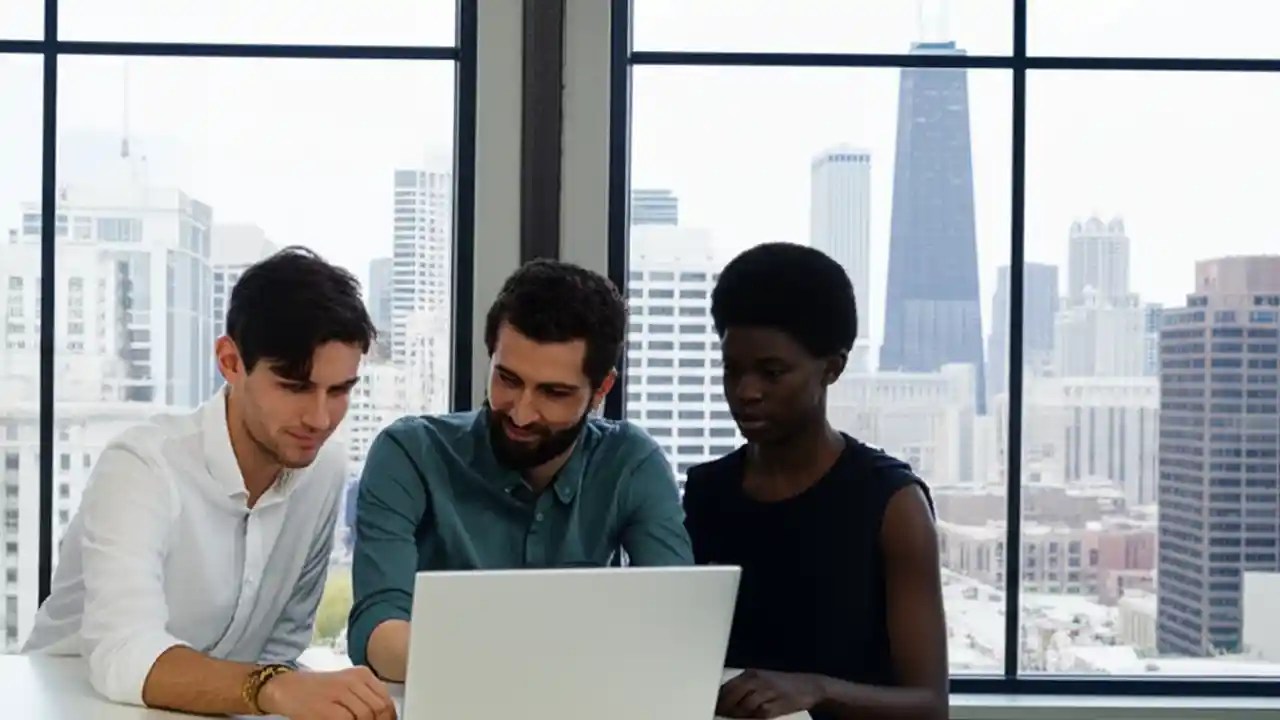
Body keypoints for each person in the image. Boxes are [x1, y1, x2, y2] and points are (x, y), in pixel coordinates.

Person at [23, 247, 396, 720]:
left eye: (339, 390)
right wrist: (272, 686)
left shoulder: (323, 470)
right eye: (294, 387)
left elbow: (280, 647)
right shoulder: (142, 466)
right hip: (64, 706)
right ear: (230, 361)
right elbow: (124, 653)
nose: (320, 418)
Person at [347, 258, 693, 681]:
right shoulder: (410, 452)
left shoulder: (631, 462)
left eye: (554, 393)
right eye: (507, 379)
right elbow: (377, 632)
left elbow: (675, 629)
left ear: (601, 389)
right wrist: (536, 670)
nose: (523, 413)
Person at [682, 243, 949, 720]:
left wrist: (816, 690)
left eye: (772, 372)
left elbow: (929, 707)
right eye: (732, 369)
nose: (746, 391)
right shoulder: (706, 493)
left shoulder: (892, 504)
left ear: (833, 368)